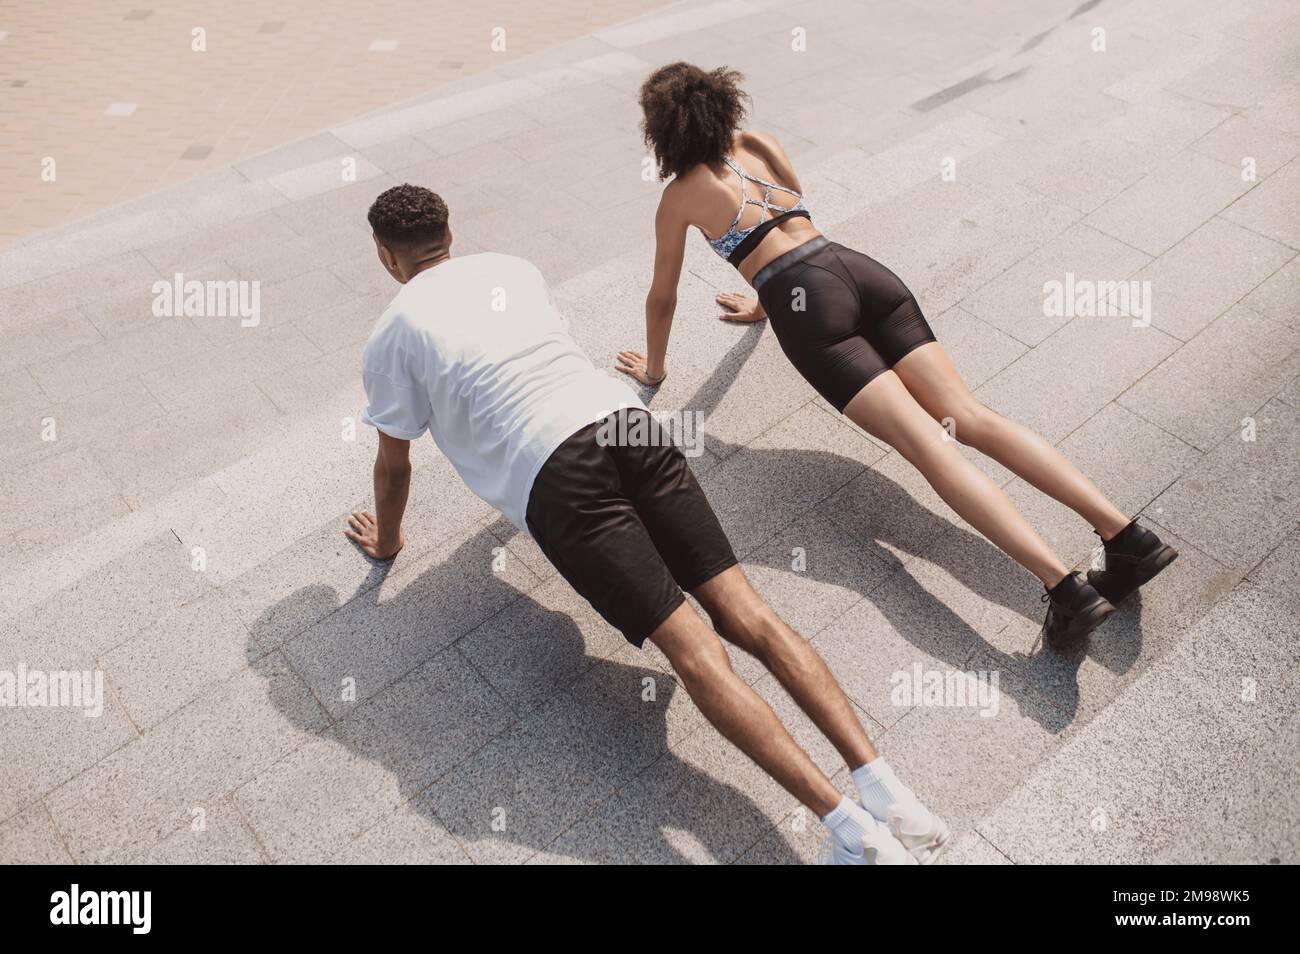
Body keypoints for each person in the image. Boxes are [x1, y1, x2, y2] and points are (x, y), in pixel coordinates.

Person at [344, 183, 949, 865]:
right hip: (625, 421)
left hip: (556, 475)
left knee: (692, 646)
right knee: (748, 613)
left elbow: (395, 466)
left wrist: (389, 542)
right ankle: (885, 786)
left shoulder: (390, 335)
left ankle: (854, 834)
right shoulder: (512, 270)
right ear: (449, 233)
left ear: (385, 255)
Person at [616, 63, 1178, 642]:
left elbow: (664, 298)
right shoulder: (758, 143)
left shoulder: (678, 197)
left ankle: (1067, 592)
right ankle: (1127, 538)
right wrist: (765, 303)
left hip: (811, 311)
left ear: (664, 131)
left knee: (932, 449)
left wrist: (656, 371)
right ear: (722, 105)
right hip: (857, 273)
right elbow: (786, 227)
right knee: (974, 417)